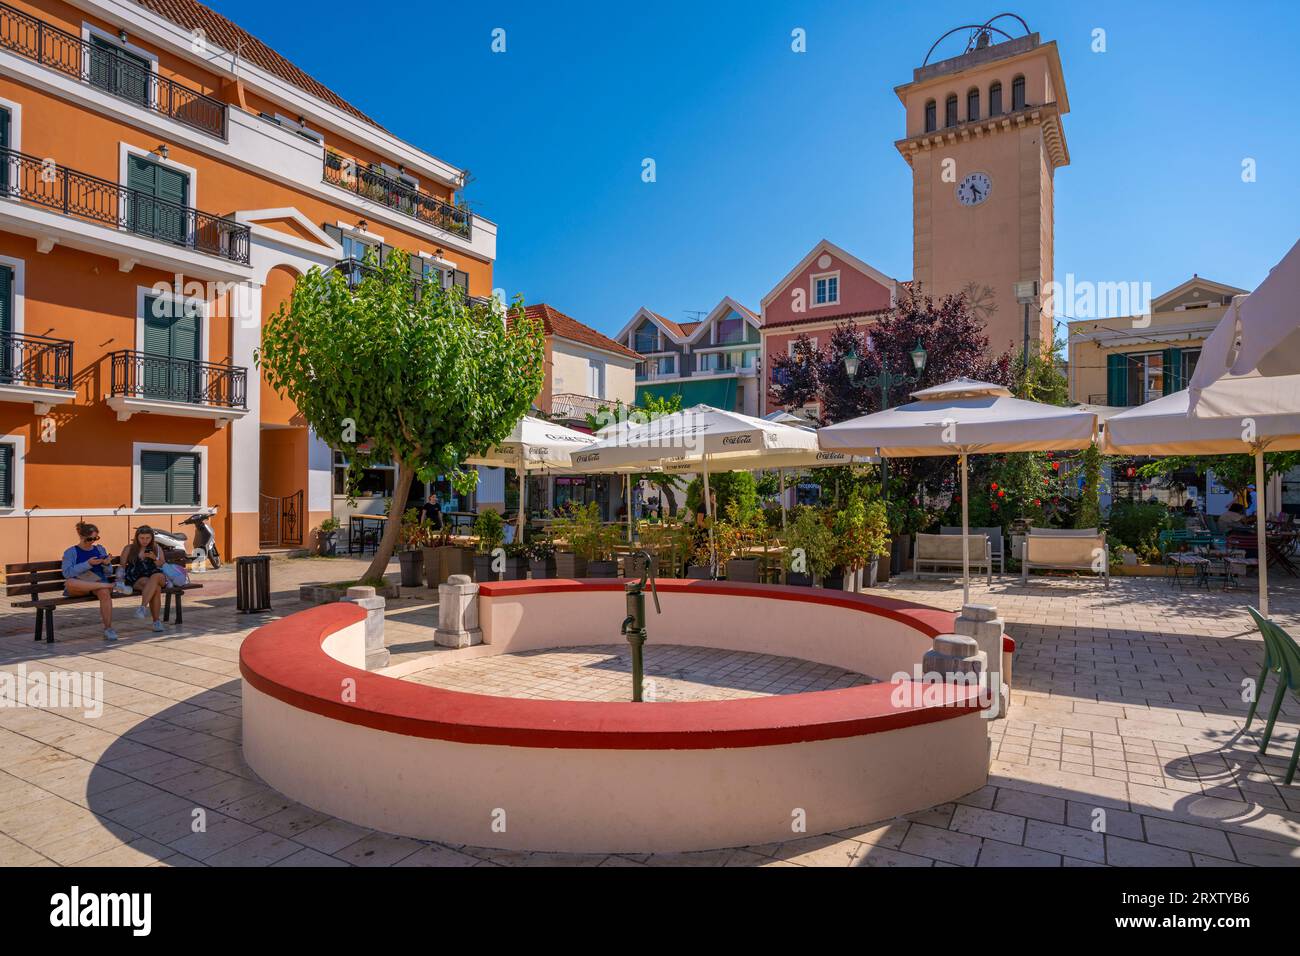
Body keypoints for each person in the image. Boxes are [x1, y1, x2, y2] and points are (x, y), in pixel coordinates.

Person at [61, 521, 119, 642]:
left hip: (98, 583)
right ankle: (109, 585)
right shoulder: (71, 552)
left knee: (104, 592)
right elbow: (67, 573)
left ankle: (108, 629)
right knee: (69, 582)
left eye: (95, 538)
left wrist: (107, 564)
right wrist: (88, 564)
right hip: (80, 586)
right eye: (89, 539)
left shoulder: (100, 549)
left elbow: (108, 572)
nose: (92, 541)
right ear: (81, 537)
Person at [119, 526, 167, 633]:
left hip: (158, 575)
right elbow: (122, 567)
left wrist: (154, 558)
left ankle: (142, 607)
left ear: (152, 538)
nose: (144, 541)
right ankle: (156, 622)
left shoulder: (156, 548)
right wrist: (120, 581)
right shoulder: (129, 549)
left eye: (147, 538)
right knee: (156, 589)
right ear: (136, 538)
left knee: (155, 577)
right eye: (142, 538)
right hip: (138, 578)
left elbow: (162, 565)